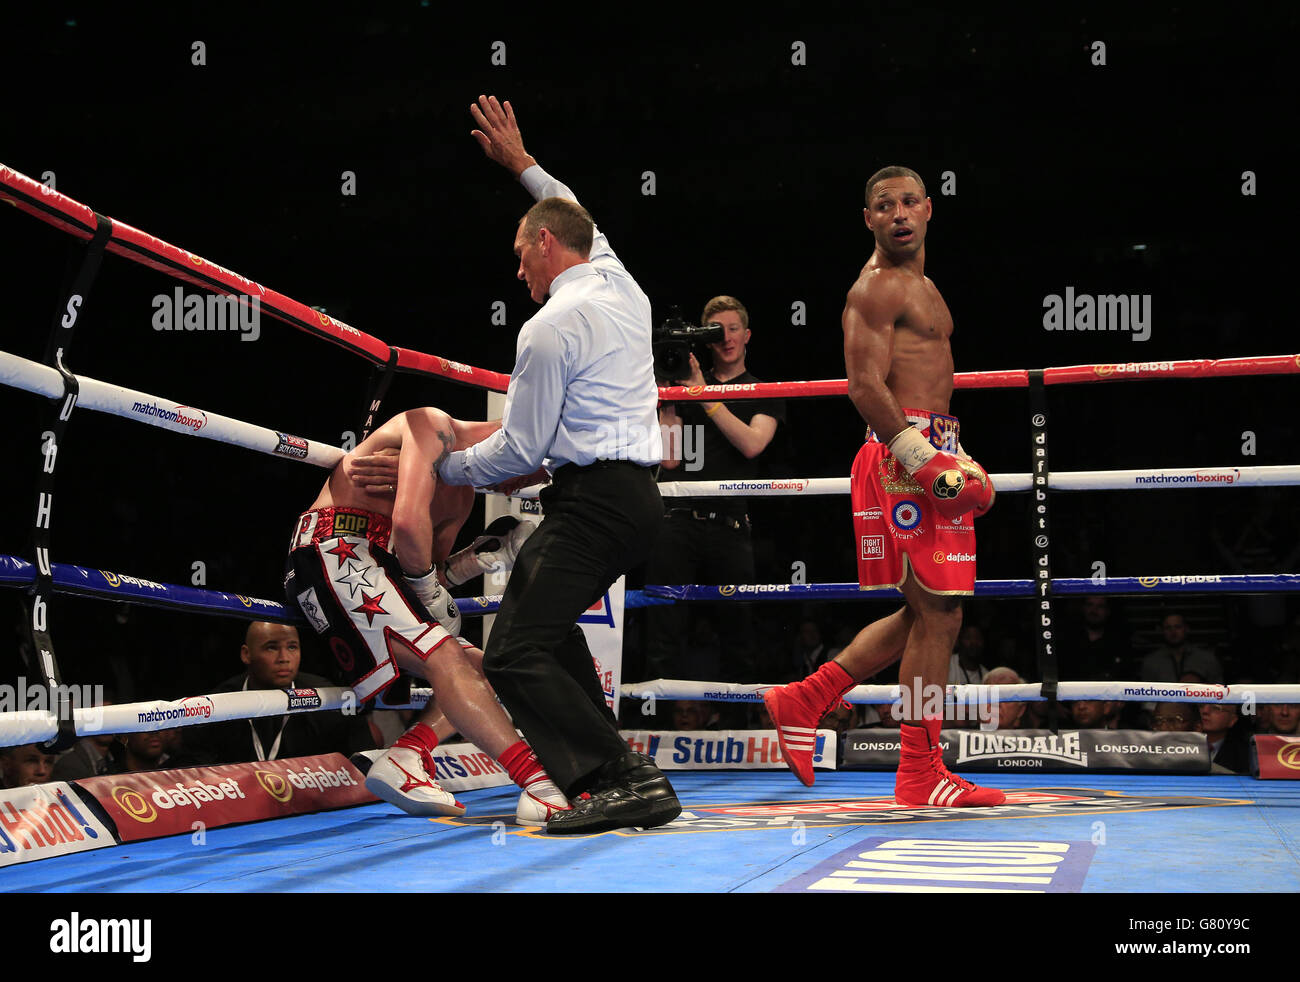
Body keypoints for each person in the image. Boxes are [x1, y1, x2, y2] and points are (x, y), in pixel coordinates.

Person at [435, 95, 679, 835]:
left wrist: (441, 469)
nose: (517, 273)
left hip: (595, 501)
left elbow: (519, 450)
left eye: (519, 256)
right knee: (547, 630)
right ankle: (615, 775)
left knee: (510, 653)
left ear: (545, 246)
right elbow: (572, 208)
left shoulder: (546, 329)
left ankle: (619, 778)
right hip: (631, 500)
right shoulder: (622, 287)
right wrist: (520, 164)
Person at [763, 165, 1005, 806]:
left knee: (930, 611)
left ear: (929, 209)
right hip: (905, 458)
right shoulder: (875, 289)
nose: (897, 213)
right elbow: (864, 386)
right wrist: (923, 458)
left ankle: (807, 697)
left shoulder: (922, 286)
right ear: (867, 219)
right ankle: (919, 773)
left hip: (928, 447)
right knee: (941, 615)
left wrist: (948, 453)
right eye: (882, 205)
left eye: (907, 202)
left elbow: (923, 388)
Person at [284, 407, 567, 826]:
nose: (521, 485)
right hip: (334, 546)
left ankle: (407, 754)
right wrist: (427, 584)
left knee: (489, 666)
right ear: (516, 440)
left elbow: (428, 573)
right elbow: (409, 529)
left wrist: (474, 561)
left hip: (380, 569)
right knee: (447, 658)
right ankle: (538, 784)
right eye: (531, 472)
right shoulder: (431, 425)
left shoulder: (463, 493)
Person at [645, 294, 785, 684]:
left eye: (734, 329)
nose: (726, 338)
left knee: (738, 630)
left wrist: (703, 393)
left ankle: (737, 731)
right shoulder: (685, 387)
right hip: (676, 519)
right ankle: (658, 730)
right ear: (705, 340)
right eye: (717, 331)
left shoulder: (761, 390)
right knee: (664, 628)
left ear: (747, 335)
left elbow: (752, 443)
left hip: (730, 525)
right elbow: (670, 459)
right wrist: (667, 395)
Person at [177, 621, 375, 768]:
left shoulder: (326, 697)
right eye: (271, 648)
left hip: (312, 805)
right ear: (247, 654)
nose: (284, 658)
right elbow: (195, 770)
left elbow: (361, 758)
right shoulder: (219, 704)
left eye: (292, 647)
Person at [1140, 612, 1224, 684]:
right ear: (1162, 631)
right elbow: (1147, 699)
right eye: (1168, 628)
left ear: (1186, 629)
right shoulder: (1151, 662)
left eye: (1178, 627)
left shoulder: (1207, 659)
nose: (1173, 632)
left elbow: (1219, 693)